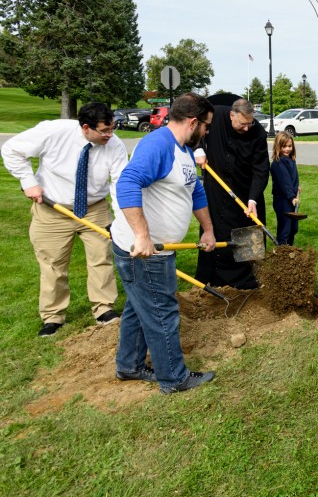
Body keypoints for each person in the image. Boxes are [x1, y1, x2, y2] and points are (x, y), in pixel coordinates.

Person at [112, 92, 216, 393]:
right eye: (206, 126)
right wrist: (143, 236)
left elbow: (195, 191)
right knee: (162, 311)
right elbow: (128, 182)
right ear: (193, 121)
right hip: (146, 251)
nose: (207, 132)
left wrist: (207, 230)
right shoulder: (157, 145)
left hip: (160, 248)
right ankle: (174, 378)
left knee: (138, 307)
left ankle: (128, 365)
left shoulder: (182, 149)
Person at [2, 102, 129, 337]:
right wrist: (28, 181)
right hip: (52, 210)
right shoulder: (54, 132)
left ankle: (104, 309)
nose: (109, 135)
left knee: (101, 258)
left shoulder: (115, 145)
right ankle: (53, 316)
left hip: (94, 208)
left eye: (112, 128)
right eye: (104, 131)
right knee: (53, 264)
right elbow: (11, 149)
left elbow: (119, 183)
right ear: (85, 127)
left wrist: (120, 219)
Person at [195, 98, 269, 290]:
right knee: (213, 229)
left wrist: (253, 198)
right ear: (231, 115)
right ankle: (212, 278)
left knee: (247, 232)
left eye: (250, 123)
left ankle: (247, 280)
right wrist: (198, 149)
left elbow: (261, 170)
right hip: (216, 190)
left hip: (245, 192)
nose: (246, 128)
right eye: (242, 124)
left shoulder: (257, 133)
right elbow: (192, 128)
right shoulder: (215, 114)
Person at [270, 132, 300, 245]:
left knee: (293, 228)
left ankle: (290, 250)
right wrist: (292, 197)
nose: (287, 149)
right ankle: (282, 252)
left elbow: (293, 177)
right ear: (278, 146)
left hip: (291, 198)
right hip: (283, 201)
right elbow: (285, 182)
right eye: (284, 146)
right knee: (285, 229)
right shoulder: (277, 164)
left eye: (290, 146)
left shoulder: (291, 160)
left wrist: (297, 188)